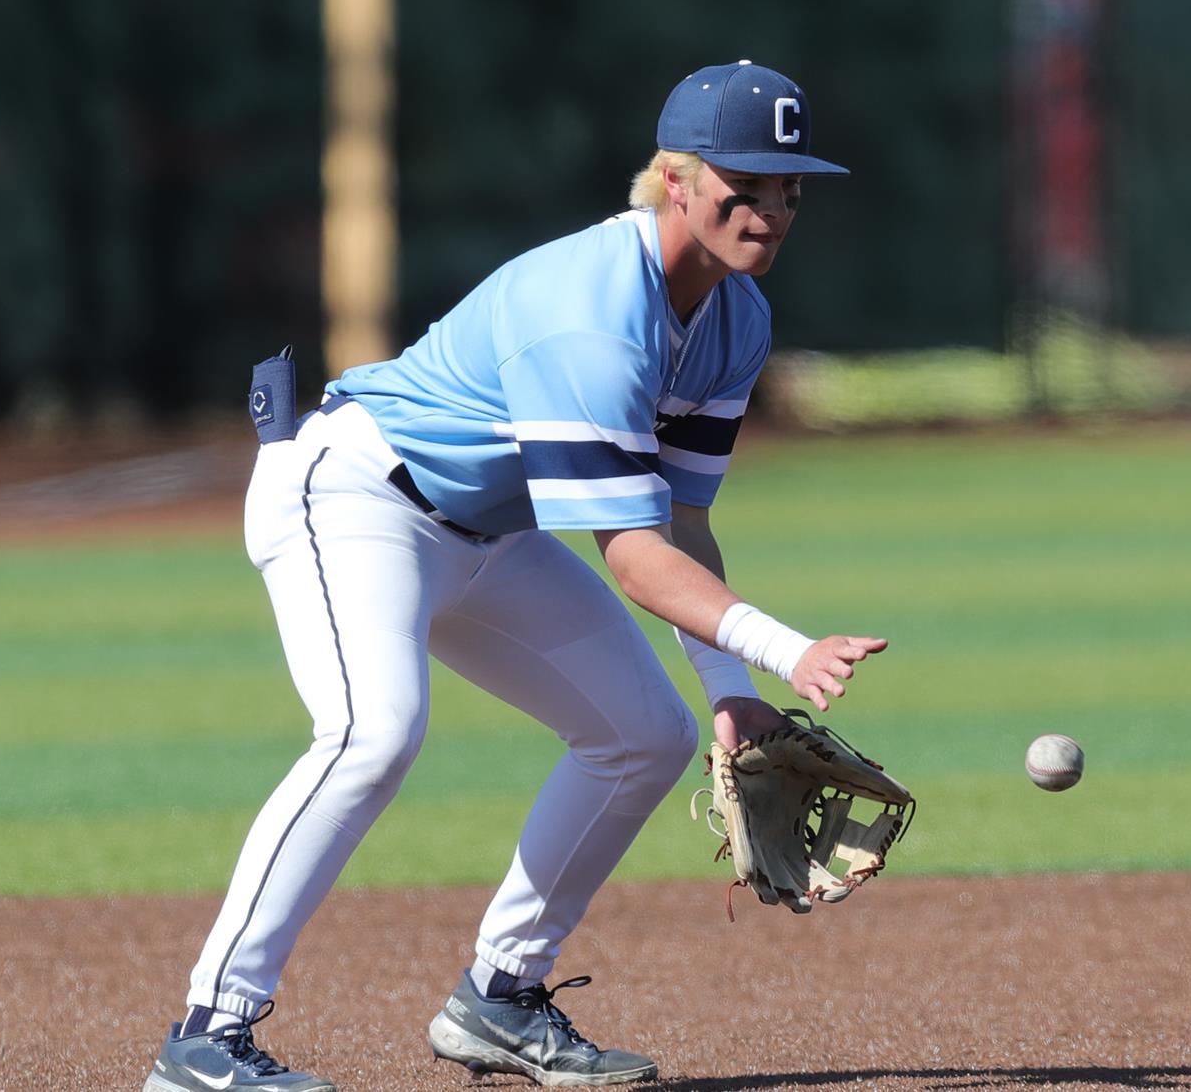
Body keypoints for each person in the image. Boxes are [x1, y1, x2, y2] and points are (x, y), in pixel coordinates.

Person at [143, 59, 884, 1092]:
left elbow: (679, 523)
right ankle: (205, 1038)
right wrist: (783, 649)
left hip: (485, 534)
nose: (767, 209)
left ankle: (499, 996)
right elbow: (629, 559)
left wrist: (728, 694)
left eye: (787, 189)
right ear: (675, 180)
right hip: (353, 496)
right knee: (371, 730)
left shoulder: (734, 320)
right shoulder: (591, 308)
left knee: (644, 734)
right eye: (742, 185)